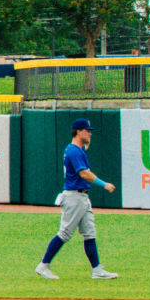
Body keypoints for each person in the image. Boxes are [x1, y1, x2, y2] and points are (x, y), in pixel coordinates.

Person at [36, 118, 117, 280]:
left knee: (89, 233)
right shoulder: (74, 151)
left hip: (82, 196)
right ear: (78, 131)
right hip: (74, 197)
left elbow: (85, 147)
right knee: (65, 233)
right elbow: (84, 173)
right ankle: (43, 265)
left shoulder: (78, 149)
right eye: (87, 130)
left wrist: (87, 141)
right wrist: (104, 184)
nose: (90, 133)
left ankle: (97, 270)